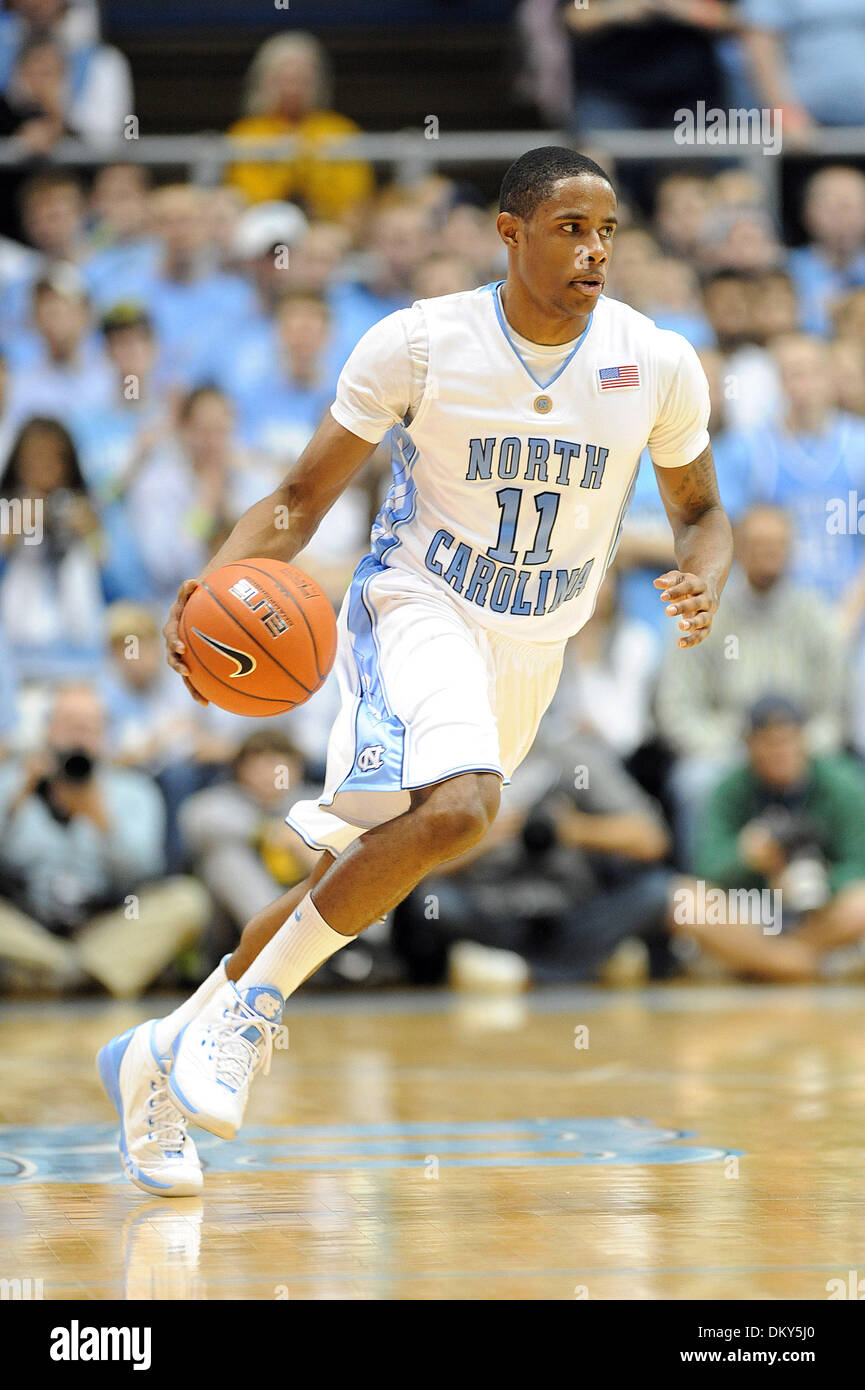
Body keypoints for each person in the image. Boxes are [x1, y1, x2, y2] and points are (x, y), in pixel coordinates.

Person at [96, 145, 733, 1197]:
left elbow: (701, 513)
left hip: (531, 651)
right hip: (413, 607)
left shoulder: (654, 360)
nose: (595, 250)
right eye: (571, 227)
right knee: (465, 804)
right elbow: (300, 498)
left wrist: (703, 576)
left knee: (383, 855)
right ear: (510, 233)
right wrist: (215, 583)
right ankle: (251, 1017)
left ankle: (162, 1049)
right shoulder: (421, 343)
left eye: (609, 230)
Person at [0, 682, 209, 998]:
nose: (79, 737)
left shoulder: (134, 790)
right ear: (48, 730)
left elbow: (143, 872)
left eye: (89, 728)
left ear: (104, 735)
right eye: (69, 726)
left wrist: (102, 822)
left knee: (187, 900)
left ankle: (50, 973)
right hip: (30, 923)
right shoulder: (12, 781)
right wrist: (18, 802)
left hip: (104, 925)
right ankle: (79, 974)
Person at [681, 696, 865, 981]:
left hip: (821, 915)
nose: (778, 751)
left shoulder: (842, 784)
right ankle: (796, 962)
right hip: (753, 909)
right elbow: (705, 867)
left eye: (786, 740)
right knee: (688, 902)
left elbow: (859, 862)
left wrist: (821, 882)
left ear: (804, 740)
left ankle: (766, 961)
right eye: (766, 742)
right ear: (749, 745)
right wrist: (746, 858)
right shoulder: (728, 789)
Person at [225, 32, 374, 226]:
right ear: (264, 82)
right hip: (265, 231)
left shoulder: (340, 130)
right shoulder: (246, 133)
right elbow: (245, 197)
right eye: (284, 79)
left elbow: (355, 198)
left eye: (302, 80)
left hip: (327, 231)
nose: (293, 88)